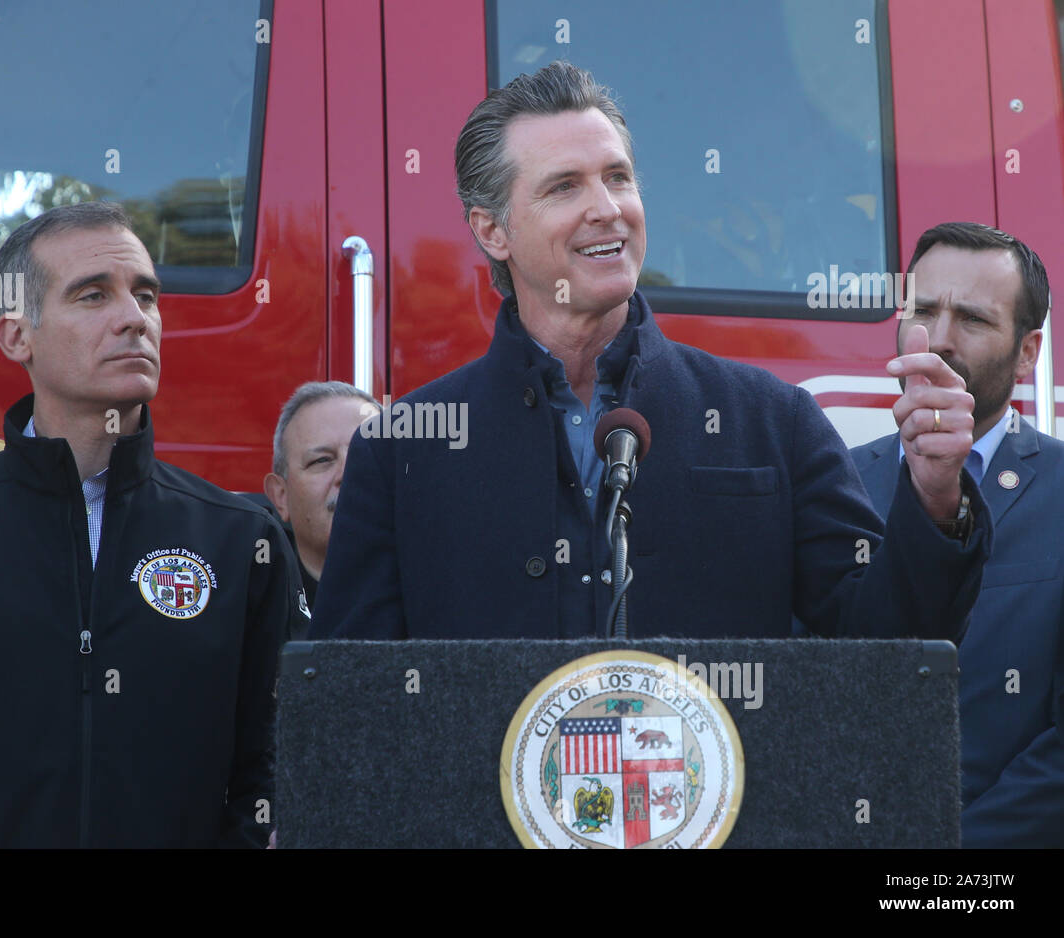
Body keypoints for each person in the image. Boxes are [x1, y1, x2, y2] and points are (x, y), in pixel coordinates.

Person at [312, 61, 989, 641]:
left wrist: (934, 499)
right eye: (564, 186)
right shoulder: (400, 451)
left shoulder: (775, 423)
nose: (608, 208)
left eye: (619, 177)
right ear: (492, 230)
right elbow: (351, 705)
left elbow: (888, 644)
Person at [0, 202, 307, 847]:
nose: (134, 319)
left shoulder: (241, 539)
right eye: (92, 296)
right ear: (16, 336)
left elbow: (283, 759)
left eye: (145, 296)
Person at [852, 222, 1064, 847]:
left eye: (971, 319)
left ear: (1028, 352)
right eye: (922, 310)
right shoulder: (834, 483)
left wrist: (949, 865)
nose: (937, 341)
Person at [263, 381, 379, 614]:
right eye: (322, 460)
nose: (349, 475)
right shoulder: (253, 603)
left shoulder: (440, 590)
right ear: (281, 496)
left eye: (368, 456)